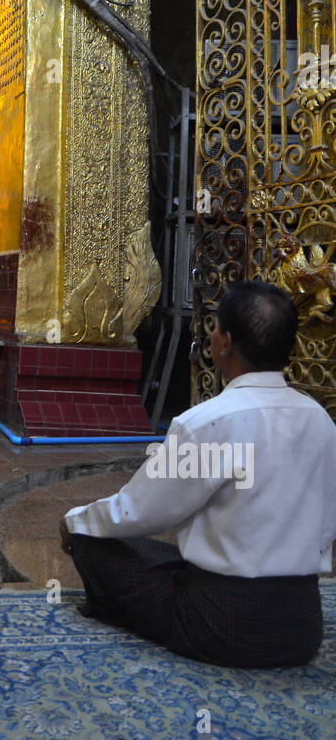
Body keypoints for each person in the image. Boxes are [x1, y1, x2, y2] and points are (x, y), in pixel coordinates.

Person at [59, 280, 336, 668]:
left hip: (220, 626)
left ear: (224, 344)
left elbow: (138, 512)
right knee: (160, 552)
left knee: (94, 542)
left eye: (217, 328)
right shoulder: (322, 422)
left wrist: (75, 523)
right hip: (301, 628)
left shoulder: (205, 422)